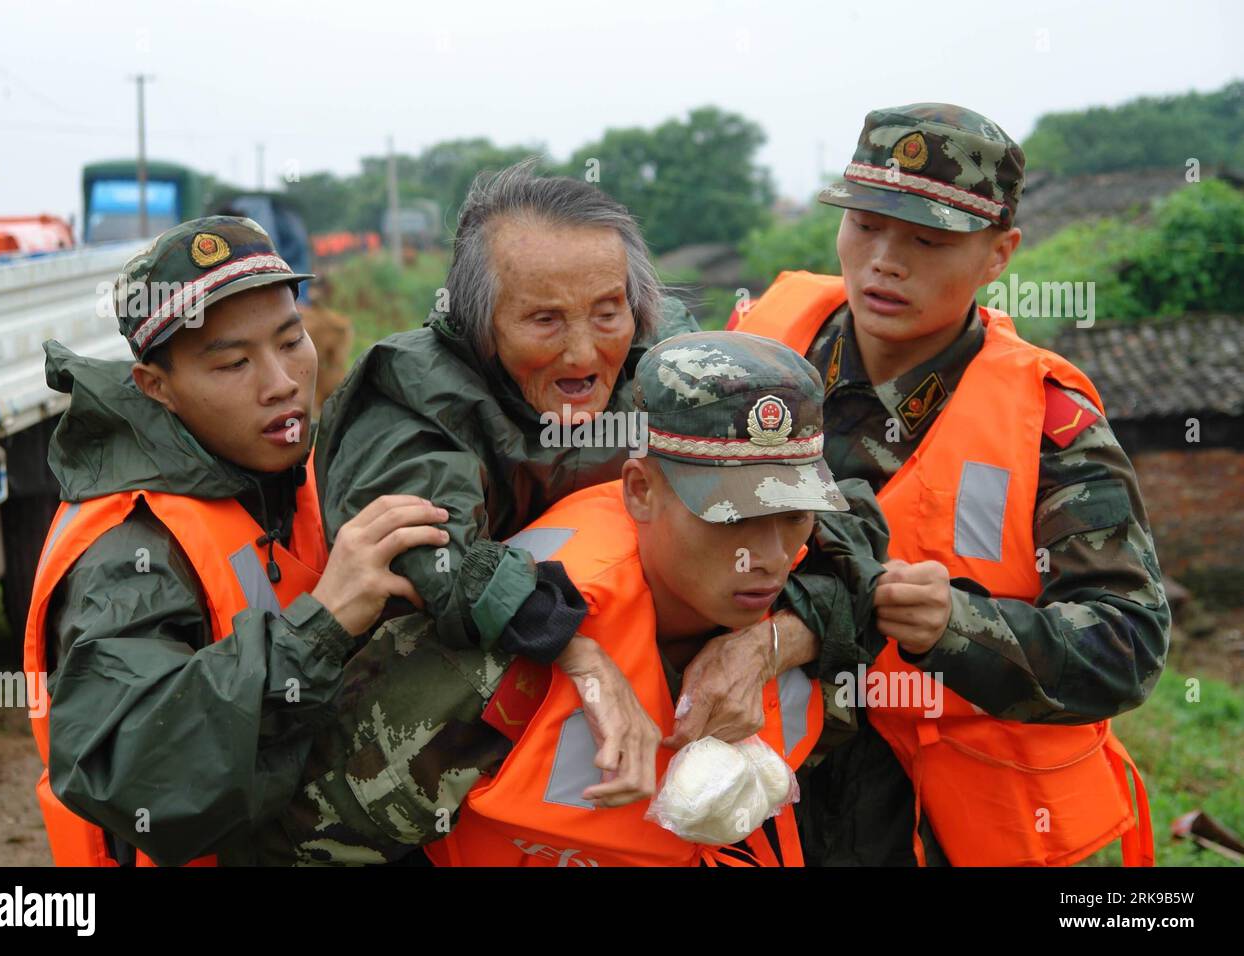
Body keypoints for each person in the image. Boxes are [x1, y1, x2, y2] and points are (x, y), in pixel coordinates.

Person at [298, 161, 888, 852]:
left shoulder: (667, 366)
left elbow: (844, 517)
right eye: (544, 320)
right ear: (476, 320)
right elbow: (432, 556)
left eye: (608, 312)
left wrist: (769, 642)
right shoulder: (414, 397)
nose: (583, 351)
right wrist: (582, 653)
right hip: (437, 725)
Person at [729, 103, 1169, 866]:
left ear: (1000, 254)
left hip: (941, 826)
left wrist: (957, 628)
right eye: (864, 225)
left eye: (927, 240)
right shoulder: (753, 357)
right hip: (755, 798)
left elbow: (1128, 646)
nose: (883, 261)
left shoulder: (1047, 423)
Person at [23, 216, 448, 866]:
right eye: (233, 362)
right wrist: (323, 628)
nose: (280, 381)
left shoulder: (298, 472)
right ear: (155, 387)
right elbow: (130, 768)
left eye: (291, 339)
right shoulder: (130, 549)